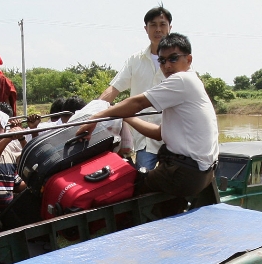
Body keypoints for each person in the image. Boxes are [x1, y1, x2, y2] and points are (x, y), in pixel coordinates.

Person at [78, 33, 218, 201]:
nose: (167, 66)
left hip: (184, 173)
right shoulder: (192, 83)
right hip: (201, 174)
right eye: (162, 61)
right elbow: (159, 133)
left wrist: (96, 117)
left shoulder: (181, 80)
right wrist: (124, 116)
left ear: (188, 59)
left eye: (173, 58)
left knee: (127, 187)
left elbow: (137, 103)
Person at [99, 6, 173, 171]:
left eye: (163, 24)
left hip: (175, 138)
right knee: (142, 184)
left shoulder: (177, 61)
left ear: (170, 28)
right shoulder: (135, 60)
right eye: (153, 25)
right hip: (144, 138)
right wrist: (93, 113)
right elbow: (114, 89)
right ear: (146, 29)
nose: (158, 29)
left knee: (175, 184)